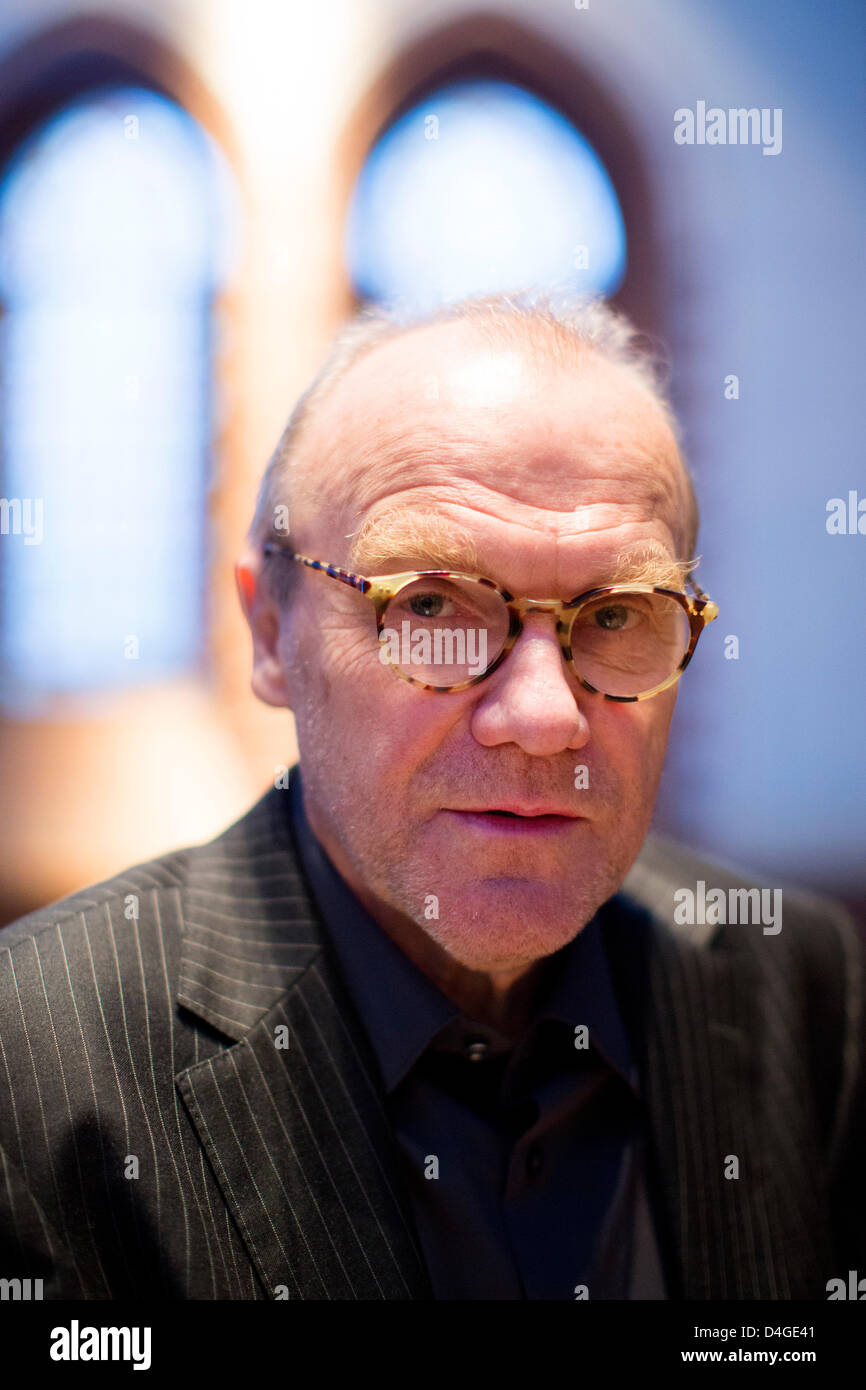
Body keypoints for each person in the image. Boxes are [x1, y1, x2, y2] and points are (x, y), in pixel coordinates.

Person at [0, 293, 863, 1300]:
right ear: (272, 635)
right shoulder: (32, 1059)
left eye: (617, 612)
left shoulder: (798, 986)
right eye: (428, 605)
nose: (544, 715)